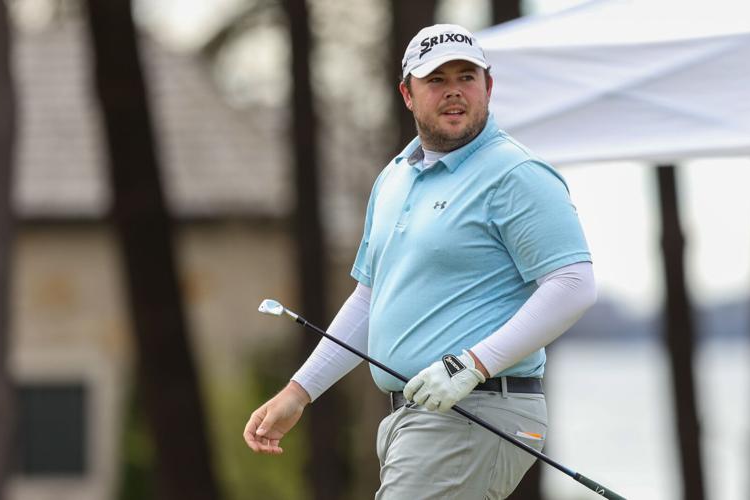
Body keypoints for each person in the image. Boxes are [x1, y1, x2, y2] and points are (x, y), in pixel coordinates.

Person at [244, 23, 597, 499]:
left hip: (477, 411)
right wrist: (298, 392)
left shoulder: (516, 174)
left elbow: (573, 281)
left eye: (466, 77)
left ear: (488, 86)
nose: (454, 91)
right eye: (435, 80)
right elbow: (370, 300)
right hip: (413, 418)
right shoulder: (394, 179)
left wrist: (471, 364)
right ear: (407, 94)